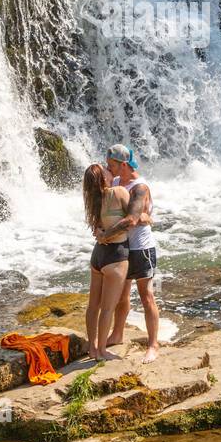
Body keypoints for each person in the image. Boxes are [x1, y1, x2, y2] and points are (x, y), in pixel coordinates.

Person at [97, 143, 160, 363]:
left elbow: (133, 219)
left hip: (141, 248)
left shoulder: (140, 187)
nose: (108, 168)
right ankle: (117, 333)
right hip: (122, 247)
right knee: (122, 297)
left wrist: (106, 235)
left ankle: (153, 345)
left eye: (111, 164)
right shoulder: (114, 182)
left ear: (123, 164)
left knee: (146, 296)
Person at [82, 163, 130, 361]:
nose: (109, 170)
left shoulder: (92, 200)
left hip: (98, 255)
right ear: (103, 178)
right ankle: (101, 352)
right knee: (108, 307)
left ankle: (92, 347)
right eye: (105, 169)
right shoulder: (118, 192)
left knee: (93, 305)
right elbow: (132, 218)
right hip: (116, 255)